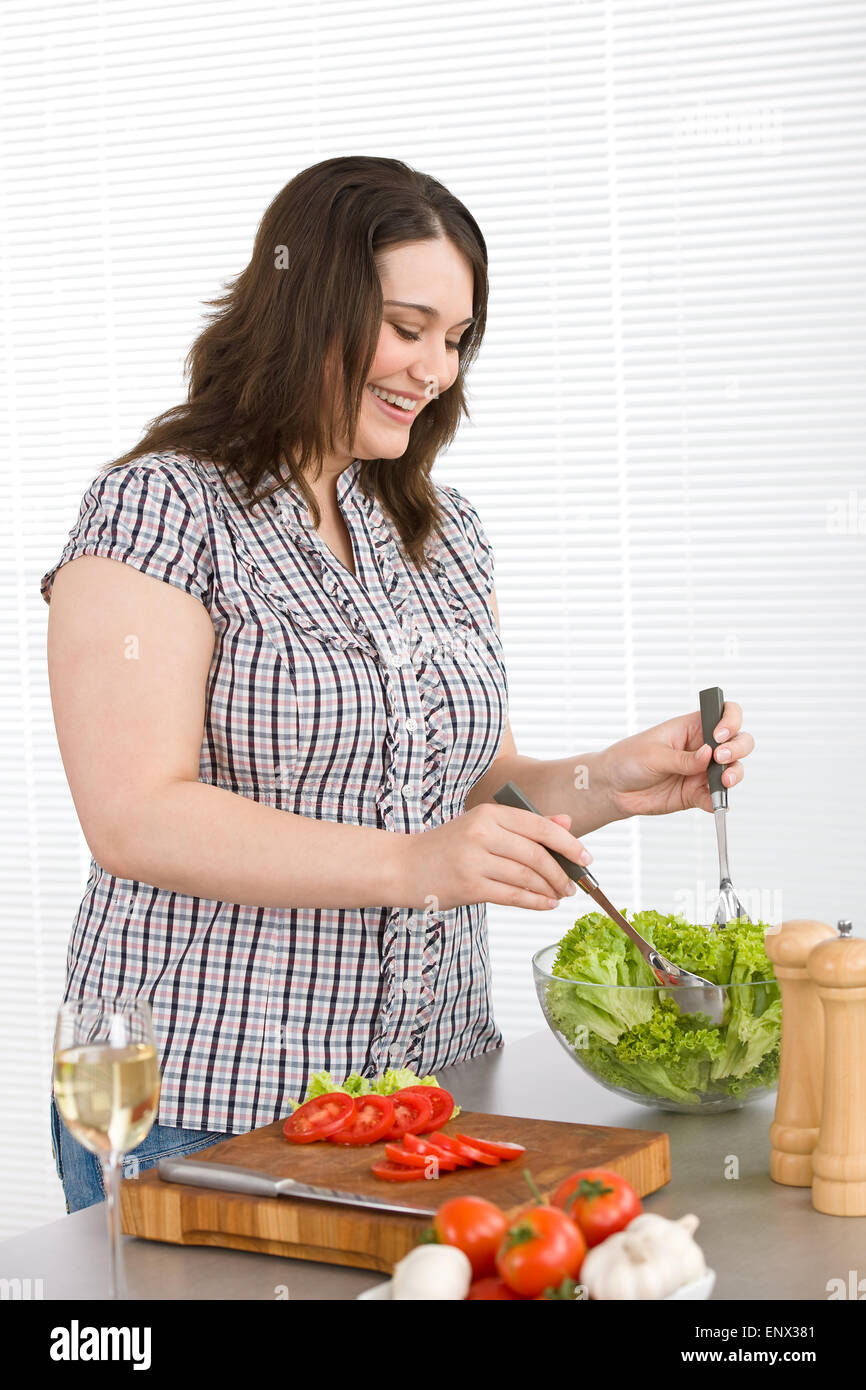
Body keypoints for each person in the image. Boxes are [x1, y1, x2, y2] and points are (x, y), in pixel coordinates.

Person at [42, 156, 754, 1212]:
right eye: (407, 326)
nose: (435, 368)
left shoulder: (440, 530)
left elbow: (466, 792)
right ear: (306, 304)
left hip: (434, 1097)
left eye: (456, 338)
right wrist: (415, 862)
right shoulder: (161, 507)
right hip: (214, 1102)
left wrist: (612, 781)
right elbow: (134, 816)